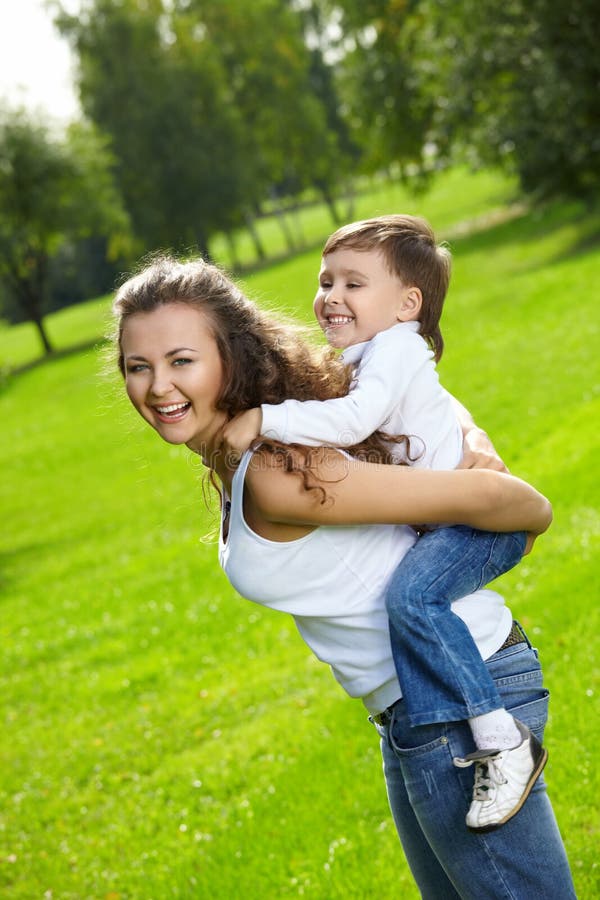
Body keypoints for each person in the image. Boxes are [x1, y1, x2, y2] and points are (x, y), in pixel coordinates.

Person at [113, 255, 576, 898]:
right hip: (413, 711)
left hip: (460, 701)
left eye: (181, 360)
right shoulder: (250, 454)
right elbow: (418, 396)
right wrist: (469, 437)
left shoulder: (277, 474)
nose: (159, 385)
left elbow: (506, 504)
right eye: (140, 366)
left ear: (231, 357)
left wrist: (510, 493)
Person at [221, 215, 541, 831]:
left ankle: (501, 738)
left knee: (413, 596)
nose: (331, 296)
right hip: (455, 520)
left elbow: (351, 422)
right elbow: (437, 405)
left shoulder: (395, 348)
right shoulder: (375, 355)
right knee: (415, 596)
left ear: (407, 304)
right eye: (325, 280)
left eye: (353, 283)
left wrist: (265, 419)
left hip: (475, 524)